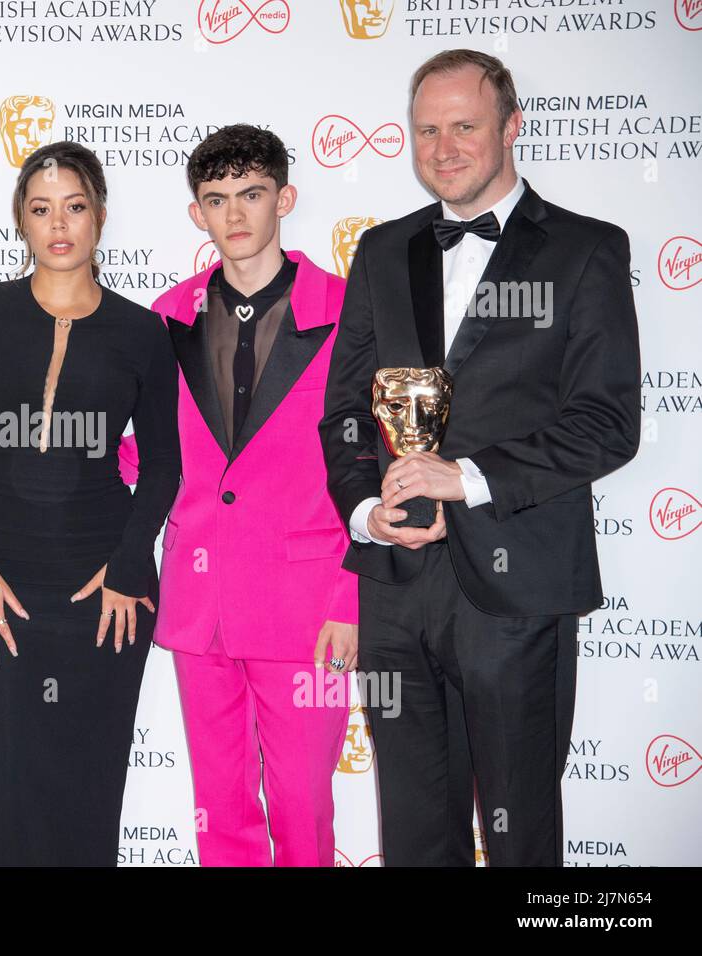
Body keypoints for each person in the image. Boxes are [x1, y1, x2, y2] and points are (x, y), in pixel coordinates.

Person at [319, 49, 641, 866]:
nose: (444, 147)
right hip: (395, 588)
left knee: (520, 826)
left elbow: (607, 422)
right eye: (427, 129)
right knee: (414, 829)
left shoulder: (586, 250)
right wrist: (368, 512)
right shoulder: (384, 251)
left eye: (465, 126)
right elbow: (345, 415)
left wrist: (466, 477)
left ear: (511, 127)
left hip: (517, 588)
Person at [0, 140, 180, 866]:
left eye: (75, 206)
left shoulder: (140, 330)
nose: (59, 223)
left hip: (105, 590)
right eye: (41, 209)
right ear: (21, 220)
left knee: (87, 782)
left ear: (100, 216)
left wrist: (130, 568)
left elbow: (165, 465)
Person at [118, 125, 357, 866]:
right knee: (219, 809)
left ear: (284, 198)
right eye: (216, 199)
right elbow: (152, 454)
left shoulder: (351, 313)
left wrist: (350, 602)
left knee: (303, 808)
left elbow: (379, 469)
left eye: (251, 194)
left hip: (308, 607)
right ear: (198, 213)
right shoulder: (168, 315)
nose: (235, 214)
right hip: (202, 605)